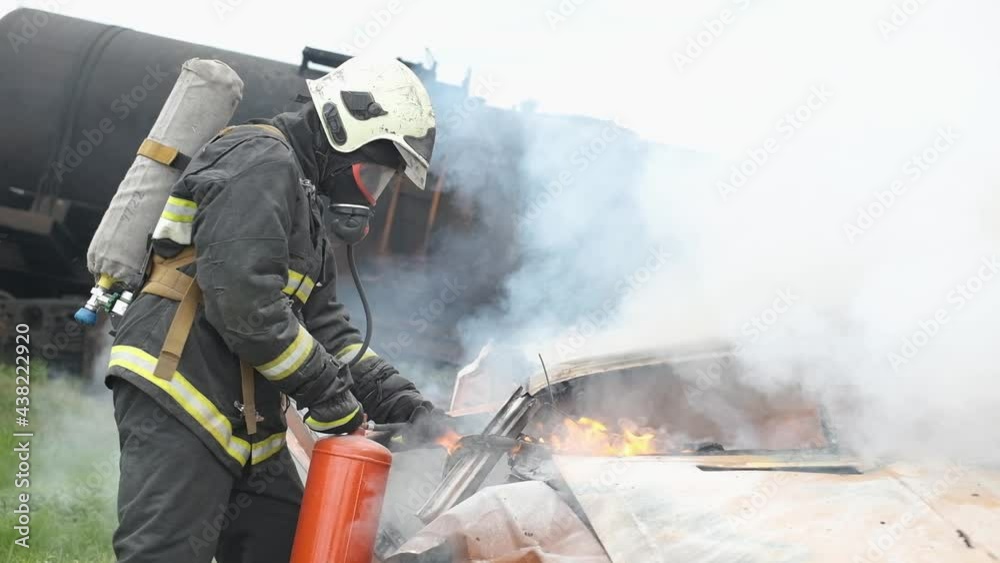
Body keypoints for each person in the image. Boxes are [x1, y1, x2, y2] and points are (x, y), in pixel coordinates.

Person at [106, 57, 443, 562]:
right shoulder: (261, 161)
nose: (370, 194)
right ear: (341, 128)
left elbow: (329, 329)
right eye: (372, 173)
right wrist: (333, 404)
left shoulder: (305, 200)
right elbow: (246, 307)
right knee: (165, 553)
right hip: (180, 392)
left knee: (286, 545)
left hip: (246, 416)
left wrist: (405, 406)